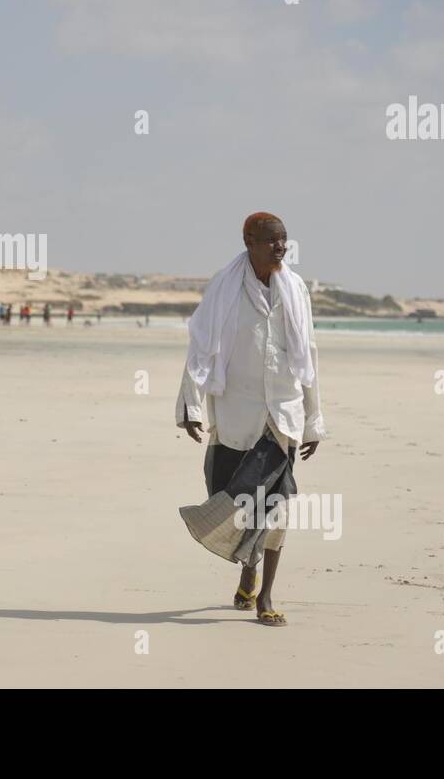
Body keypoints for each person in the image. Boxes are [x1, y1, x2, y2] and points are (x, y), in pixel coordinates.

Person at [174, 213, 327, 628]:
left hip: (283, 416)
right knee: (235, 501)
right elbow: (201, 348)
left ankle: (267, 596)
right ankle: (248, 569)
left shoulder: (295, 289)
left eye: (283, 240)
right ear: (249, 241)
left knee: (276, 504)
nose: (280, 247)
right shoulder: (225, 289)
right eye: (271, 241)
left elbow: (307, 353)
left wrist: (313, 420)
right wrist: (190, 406)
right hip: (235, 413)